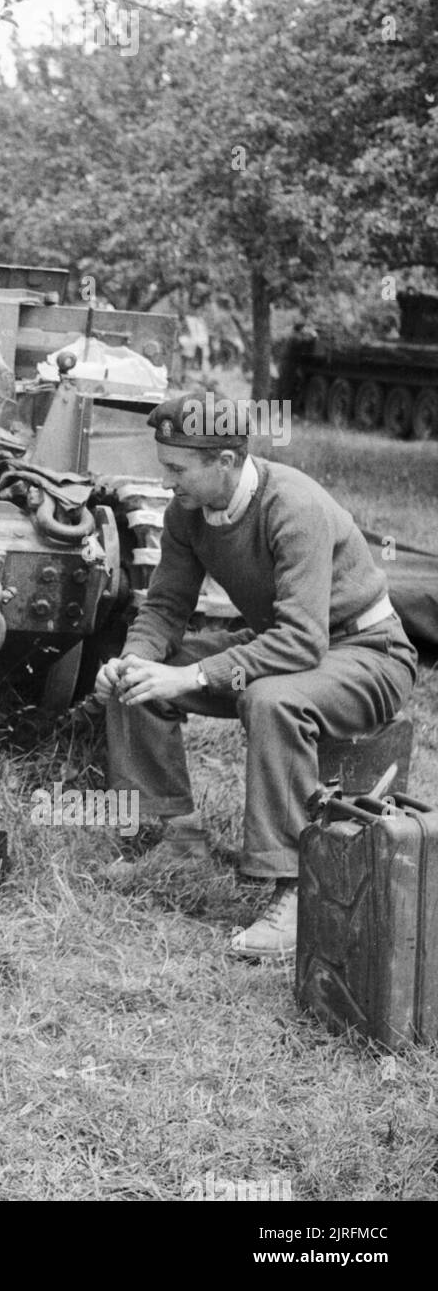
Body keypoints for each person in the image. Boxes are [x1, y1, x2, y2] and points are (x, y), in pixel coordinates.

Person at [96, 390, 417, 960]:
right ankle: (180, 834)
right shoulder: (188, 513)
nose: (168, 483)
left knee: (271, 700)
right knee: (144, 677)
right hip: (289, 644)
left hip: (369, 653)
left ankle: (295, 891)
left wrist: (194, 677)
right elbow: (165, 607)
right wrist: (134, 659)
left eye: (177, 469)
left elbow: (302, 641)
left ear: (225, 462)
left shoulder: (293, 505)